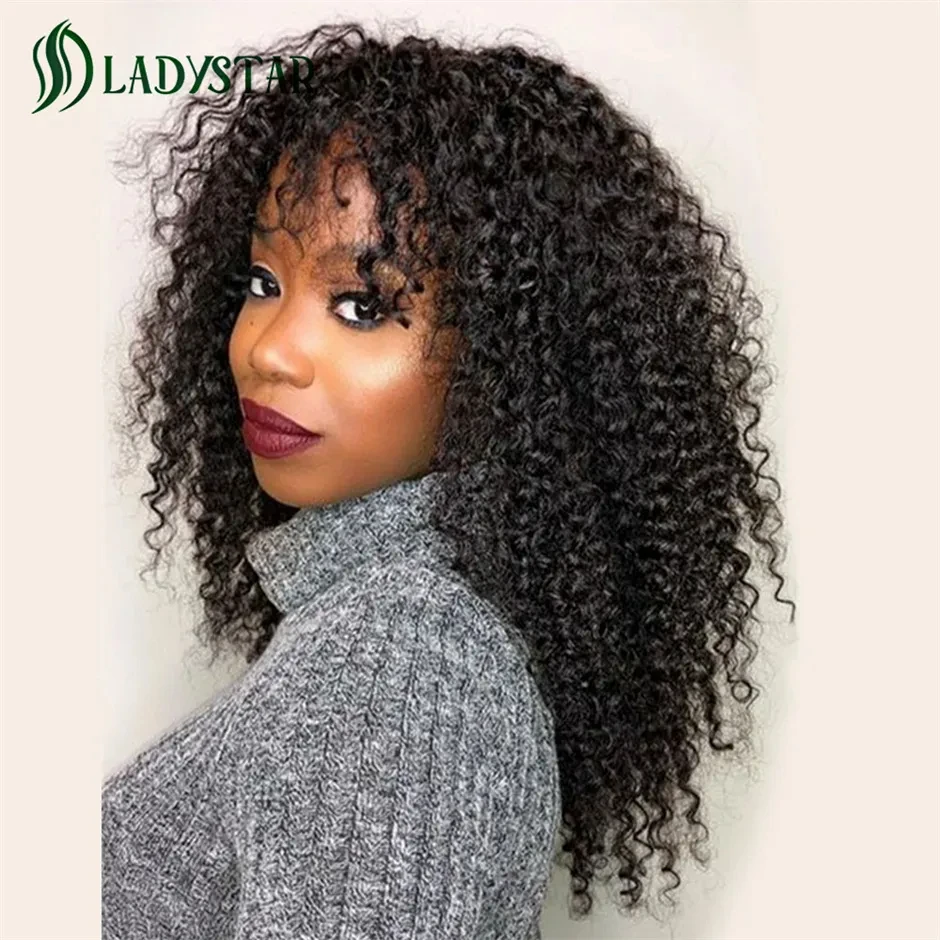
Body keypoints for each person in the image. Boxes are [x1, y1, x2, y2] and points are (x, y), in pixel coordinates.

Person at [102, 20, 795, 939]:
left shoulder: (395, 664)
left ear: (508, 364)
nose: (268, 350)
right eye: (264, 282)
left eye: (361, 305)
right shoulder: (395, 632)